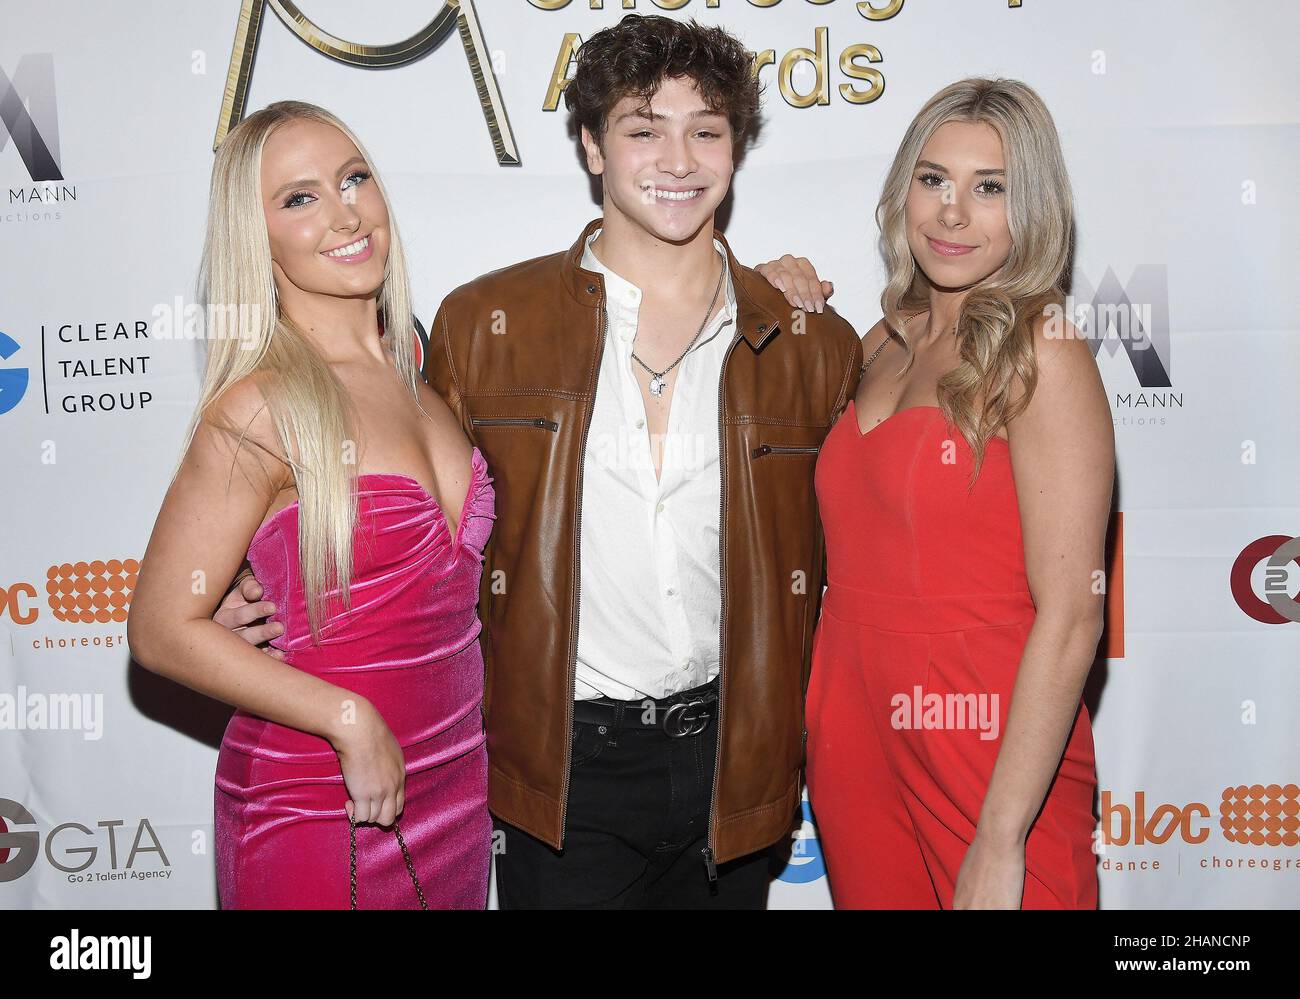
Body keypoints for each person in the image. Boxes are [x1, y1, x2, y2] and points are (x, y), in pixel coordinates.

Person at [221, 14, 863, 909]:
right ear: (594, 147)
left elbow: (873, 539)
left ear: (735, 149)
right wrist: (244, 580)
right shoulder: (486, 328)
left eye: (705, 130)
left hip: (737, 767)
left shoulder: (807, 343)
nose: (677, 159)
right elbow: (402, 508)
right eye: (643, 130)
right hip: (562, 775)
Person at [756, 78, 1113, 908]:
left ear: (1032, 208)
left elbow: (1074, 616)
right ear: (902, 192)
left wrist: (1001, 833)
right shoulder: (880, 340)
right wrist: (757, 288)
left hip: (986, 731)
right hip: (850, 722)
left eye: (989, 188)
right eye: (933, 179)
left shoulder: (1044, 351)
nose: (953, 214)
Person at [127, 101, 493, 909]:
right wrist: (347, 717)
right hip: (315, 790)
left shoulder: (423, 386)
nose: (345, 212)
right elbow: (160, 628)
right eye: (300, 198)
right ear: (254, 237)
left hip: (456, 788)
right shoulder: (262, 406)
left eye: (354, 178)